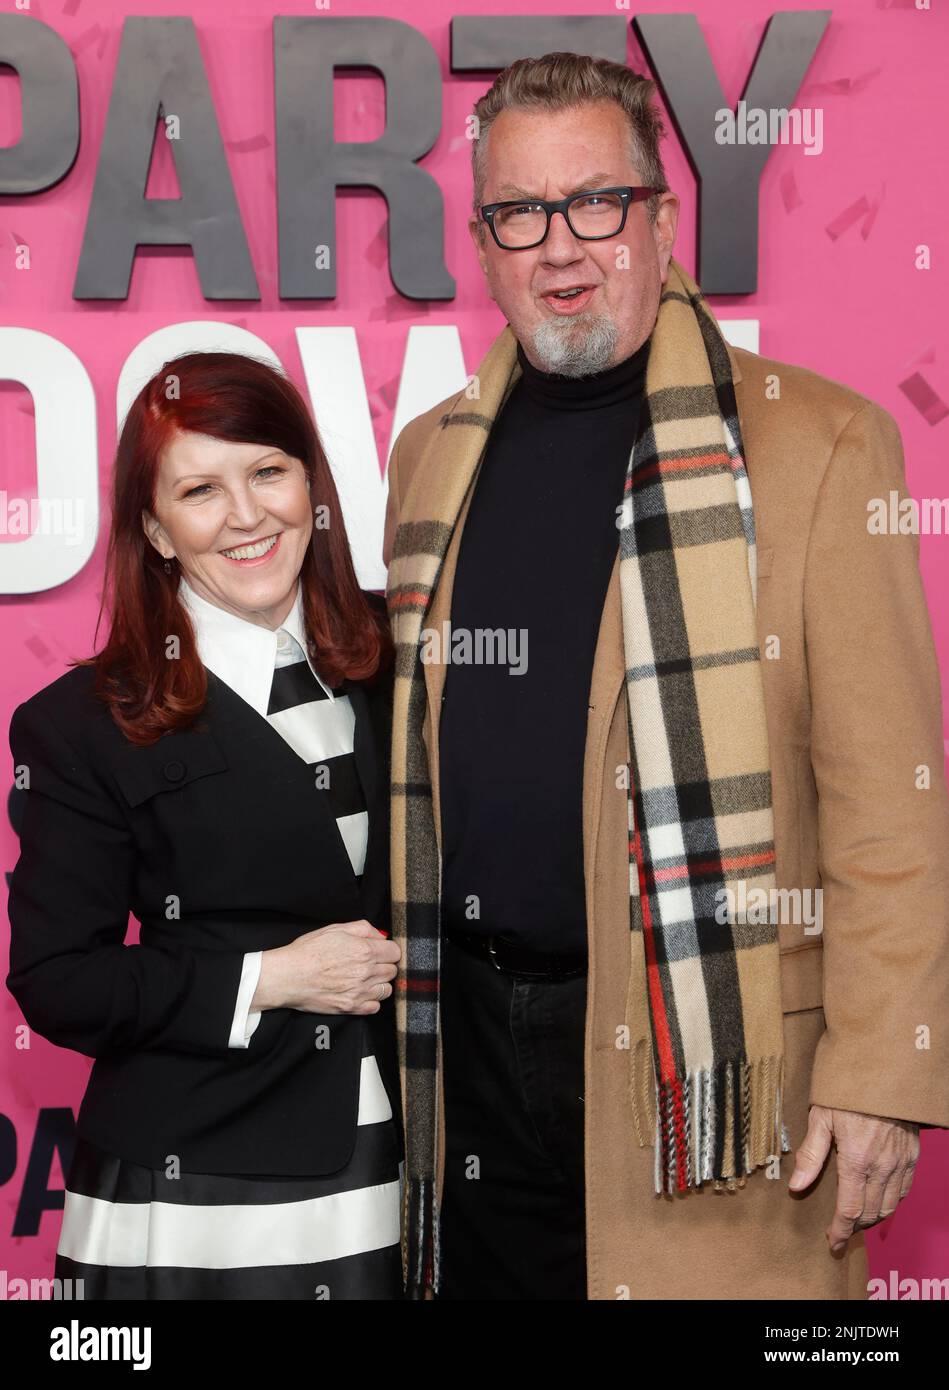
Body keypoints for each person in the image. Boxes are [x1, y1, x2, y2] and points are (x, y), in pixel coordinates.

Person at [382, 52, 949, 1300]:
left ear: (660, 217)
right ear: (482, 243)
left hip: (708, 1066)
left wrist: (879, 1077)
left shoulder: (820, 441)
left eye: (596, 202)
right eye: (518, 213)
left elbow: (891, 805)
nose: (560, 245)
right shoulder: (431, 456)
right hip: (466, 1047)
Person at [8, 350, 404, 1300]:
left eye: (267, 471)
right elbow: (59, 980)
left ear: (311, 484)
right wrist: (274, 979)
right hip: (193, 1188)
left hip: (404, 1154)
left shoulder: (400, 660)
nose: (245, 515)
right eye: (199, 489)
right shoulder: (80, 723)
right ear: (154, 527)